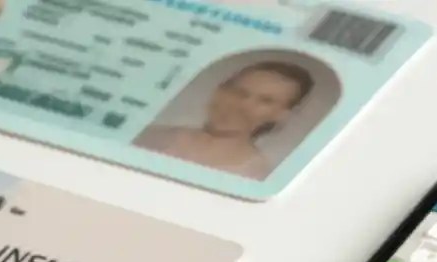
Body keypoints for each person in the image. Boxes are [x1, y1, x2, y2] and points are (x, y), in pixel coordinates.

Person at [134, 61, 315, 181]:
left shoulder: (256, 179)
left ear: (281, 114)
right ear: (218, 92)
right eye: (239, 92)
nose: (242, 105)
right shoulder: (148, 136)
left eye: (265, 101)